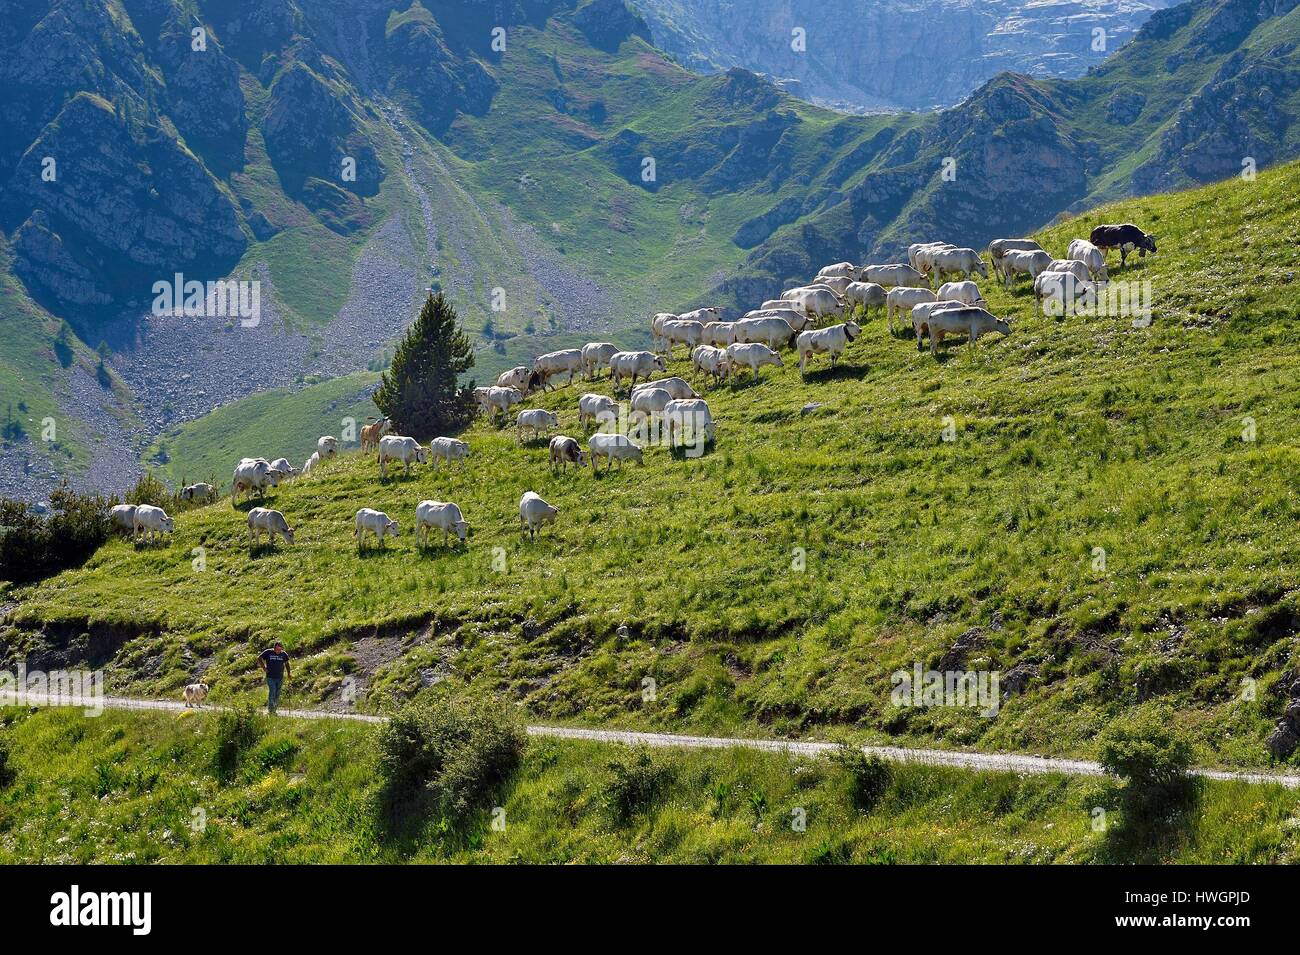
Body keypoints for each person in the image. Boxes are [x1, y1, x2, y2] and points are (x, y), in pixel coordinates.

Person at [257, 642, 291, 714]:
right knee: (272, 691)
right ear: (274, 648)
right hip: (270, 677)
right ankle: (270, 710)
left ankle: (274, 710)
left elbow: (287, 664)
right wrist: (264, 668)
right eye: (277, 649)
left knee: (277, 693)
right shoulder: (268, 652)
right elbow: (259, 658)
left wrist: (289, 673)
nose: (278, 651)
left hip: (280, 677)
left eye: (280, 649)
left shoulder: (283, 654)